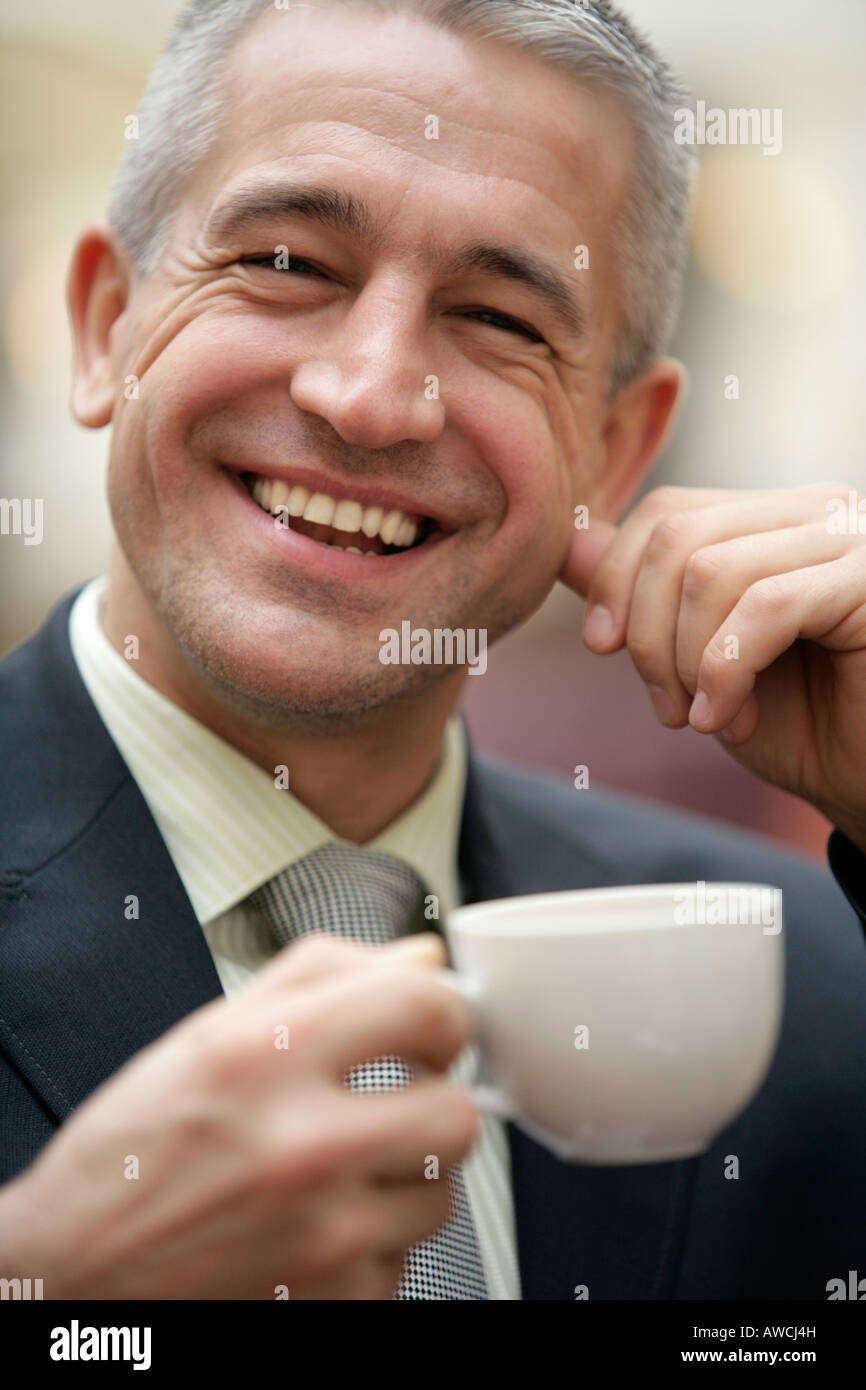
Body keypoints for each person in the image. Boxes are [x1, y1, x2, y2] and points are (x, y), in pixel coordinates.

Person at [1, 0, 864, 1301]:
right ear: (104, 322)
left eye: (502, 321)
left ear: (615, 450)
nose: (367, 395)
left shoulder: (789, 967)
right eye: (288, 262)